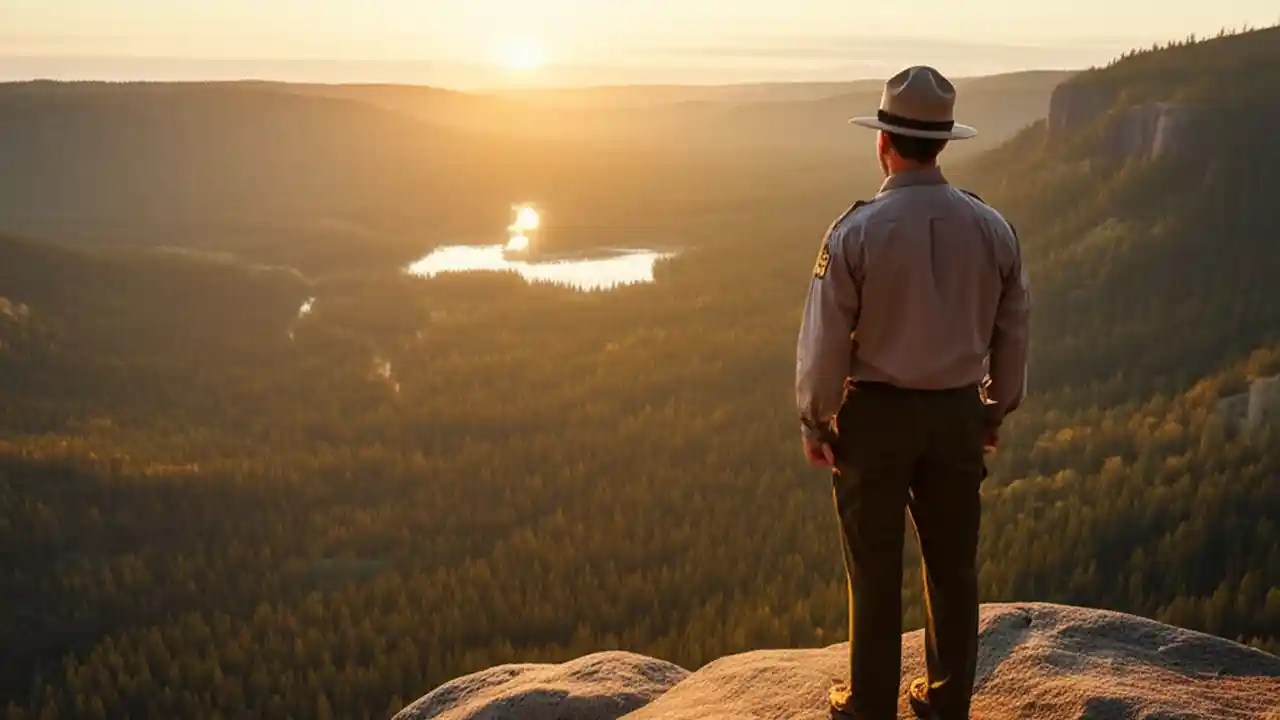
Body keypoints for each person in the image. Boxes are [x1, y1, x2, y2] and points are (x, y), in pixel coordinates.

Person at [795, 66, 1030, 720]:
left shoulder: (854, 233)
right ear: (944, 142)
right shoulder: (992, 227)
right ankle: (946, 701)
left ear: (882, 142)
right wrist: (994, 407)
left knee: (873, 570)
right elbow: (1014, 326)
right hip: (957, 413)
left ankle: (869, 705)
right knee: (953, 567)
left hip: (871, 418)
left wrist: (817, 422)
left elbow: (824, 341)